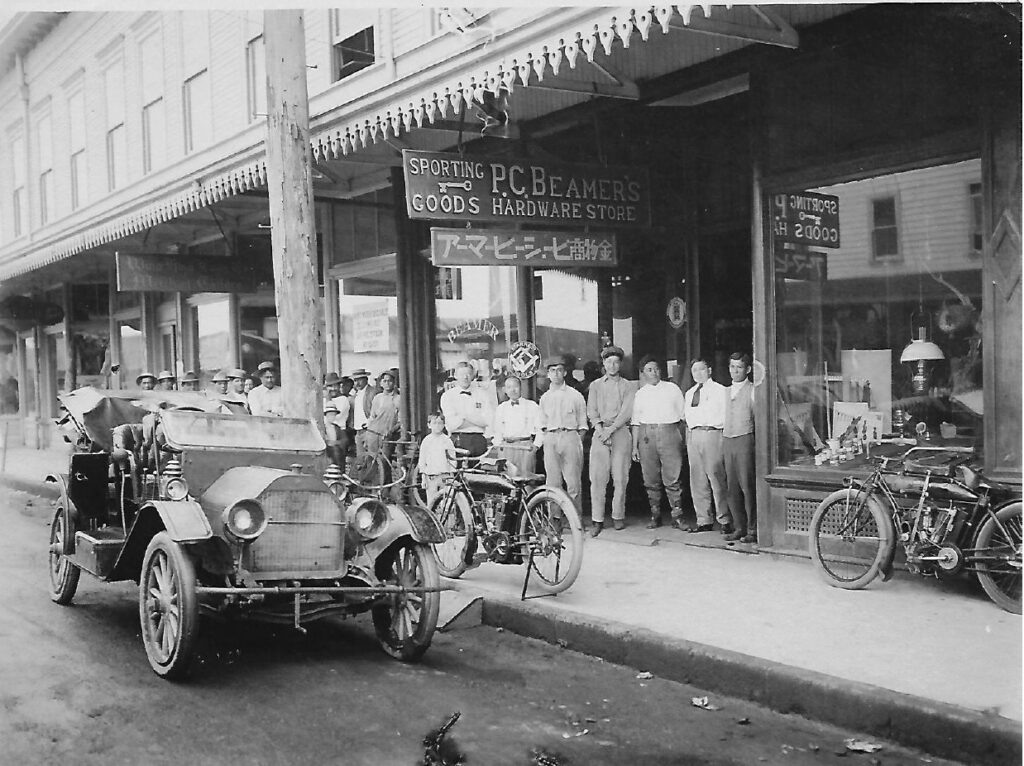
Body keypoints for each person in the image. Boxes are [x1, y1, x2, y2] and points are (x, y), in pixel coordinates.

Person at [630, 355, 687, 529]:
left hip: (669, 431)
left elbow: (683, 417)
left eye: (656, 369)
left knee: (673, 477)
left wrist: (681, 439)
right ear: (643, 373)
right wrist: (635, 447)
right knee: (650, 478)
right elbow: (636, 422)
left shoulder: (672, 389)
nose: (653, 373)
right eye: (649, 370)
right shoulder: (640, 393)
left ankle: (677, 515)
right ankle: (655, 515)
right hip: (647, 435)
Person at [586, 345, 637, 536]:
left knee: (621, 477)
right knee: (598, 478)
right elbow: (592, 410)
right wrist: (600, 430)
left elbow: (626, 412)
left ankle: (617, 516)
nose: (612, 366)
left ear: (620, 364)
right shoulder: (596, 386)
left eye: (616, 362)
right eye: (609, 362)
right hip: (600, 433)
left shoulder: (628, 386)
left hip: (620, 431)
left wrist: (612, 430)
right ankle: (597, 519)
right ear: (604, 364)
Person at [683, 357, 731, 534]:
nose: (698, 373)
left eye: (702, 369)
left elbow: (727, 416)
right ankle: (703, 520)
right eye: (694, 370)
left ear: (709, 370)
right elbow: (686, 417)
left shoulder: (721, 391)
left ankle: (725, 519)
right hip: (694, 435)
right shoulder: (689, 393)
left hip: (713, 434)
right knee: (697, 479)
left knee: (716, 477)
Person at [538, 355, 588, 517]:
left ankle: (575, 519)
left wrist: (576, 441)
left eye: (559, 370)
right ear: (548, 374)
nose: (556, 374)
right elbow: (542, 424)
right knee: (553, 483)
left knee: (573, 482)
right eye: (552, 371)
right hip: (551, 437)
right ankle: (555, 519)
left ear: (565, 373)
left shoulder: (575, 395)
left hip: (570, 436)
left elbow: (582, 423)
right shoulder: (545, 398)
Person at [723, 352, 758, 544]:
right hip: (728, 439)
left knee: (747, 485)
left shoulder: (752, 390)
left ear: (748, 370)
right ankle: (739, 526)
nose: (735, 371)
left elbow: (757, 417)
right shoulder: (726, 391)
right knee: (732, 487)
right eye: (732, 367)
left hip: (745, 438)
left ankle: (752, 528)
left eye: (739, 367)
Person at [490, 376, 542, 477]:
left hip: (525, 446)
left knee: (527, 479)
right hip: (506, 447)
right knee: (506, 479)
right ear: (505, 390)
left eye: (515, 386)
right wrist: (498, 444)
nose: (513, 390)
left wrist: (536, 445)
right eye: (509, 387)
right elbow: (497, 429)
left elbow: (540, 428)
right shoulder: (501, 408)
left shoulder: (532, 406)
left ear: (520, 388)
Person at [440, 361, 494, 457]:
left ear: (473, 376)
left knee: (480, 470)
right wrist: (477, 420)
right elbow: (451, 424)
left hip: (479, 440)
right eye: (462, 374)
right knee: (458, 470)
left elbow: (488, 420)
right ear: (455, 375)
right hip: (457, 440)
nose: (465, 377)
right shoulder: (448, 396)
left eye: (468, 374)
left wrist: (463, 417)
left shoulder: (483, 394)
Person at [363, 369, 404, 458]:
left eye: (390, 381)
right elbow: (372, 417)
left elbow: (400, 421)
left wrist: (390, 431)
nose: (387, 383)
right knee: (371, 458)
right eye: (384, 381)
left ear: (394, 383)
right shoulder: (377, 398)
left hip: (388, 435)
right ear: (381, 383)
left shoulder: (398, 399)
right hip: (374, 433)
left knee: (384, 460)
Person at [417, 412, 457, 505]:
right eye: (434, 423)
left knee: (446, 503)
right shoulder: (427, 441)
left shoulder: (447, 440)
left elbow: (452, 459)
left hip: (444, 477)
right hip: (431, 477)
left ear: (443, 425)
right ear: (429, 425)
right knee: (431, 502)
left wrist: (451, 476)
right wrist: (423, 478)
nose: (437, 426)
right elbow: (422, 460)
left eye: (440, 423)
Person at [348, 368, 379, 459]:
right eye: (355, 380)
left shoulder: (372, 392)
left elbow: (376, 411)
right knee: (360, 459)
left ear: (366, 379)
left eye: (359, 380)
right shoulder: (356, 394)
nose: (357, 383)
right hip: (358, 431)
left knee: (371, 457)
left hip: (369, 430)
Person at [324, 371, 352, 459]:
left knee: (338, 459)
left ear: (339, 386)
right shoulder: (323, 400)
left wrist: (328, 399)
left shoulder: (343, 400)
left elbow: (334, 417)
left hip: (340, 432)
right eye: (330, 386)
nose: (333, 389)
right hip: (326, 432)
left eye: (335, 386)